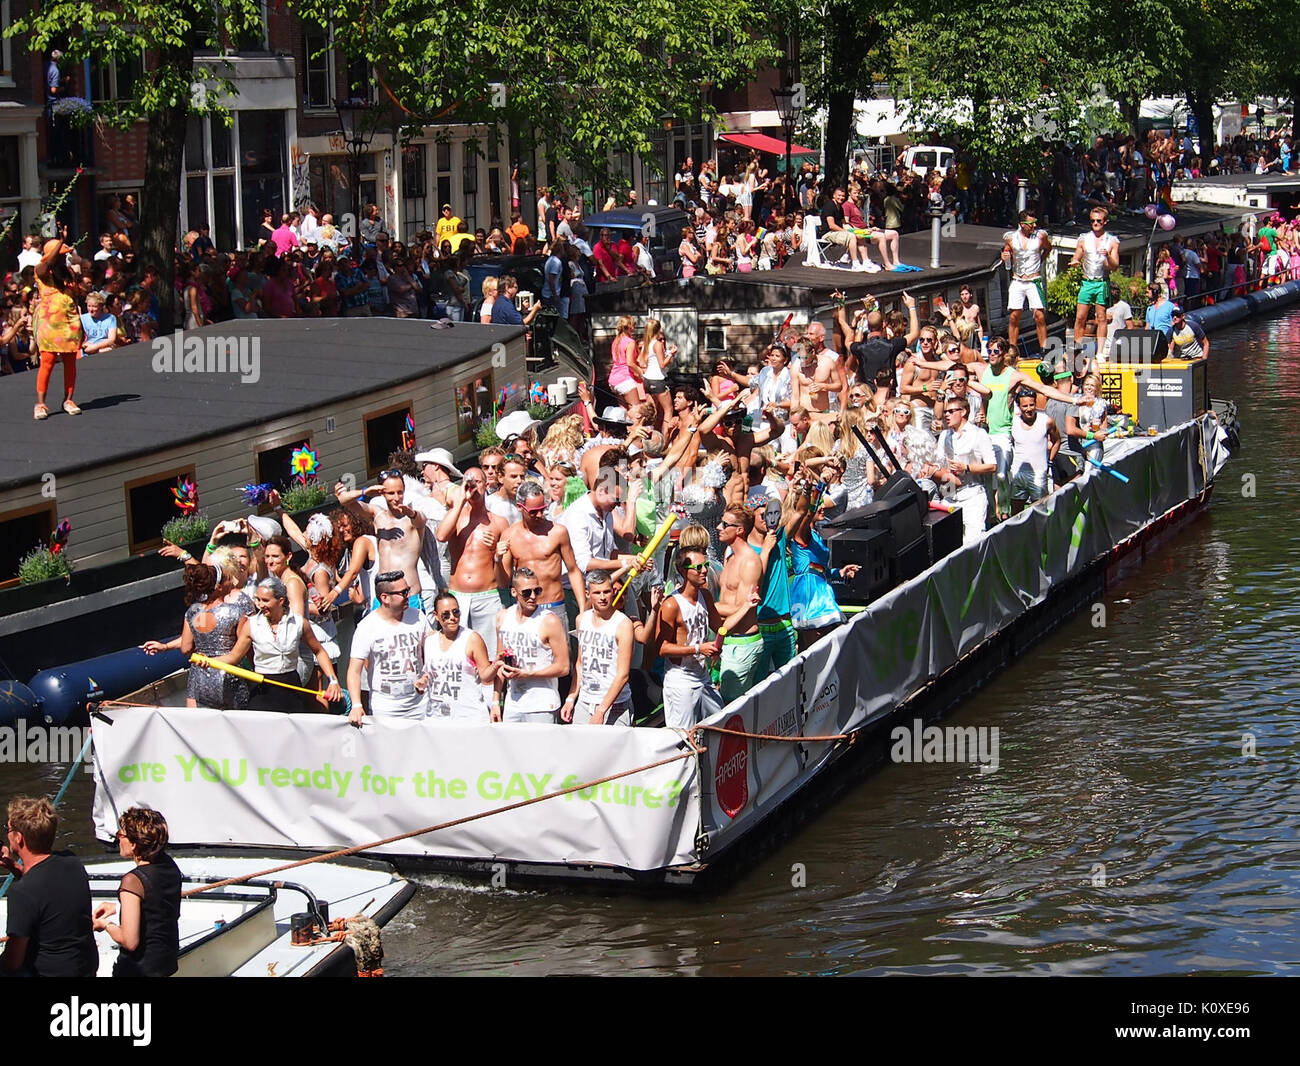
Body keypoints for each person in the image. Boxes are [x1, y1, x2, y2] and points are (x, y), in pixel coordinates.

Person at [1, 796, 98, 977]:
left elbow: (12, 963)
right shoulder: (73, 863)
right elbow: (44, 886)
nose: (7, 834)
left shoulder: (21, 892)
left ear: (19, 838)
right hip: (84, 968)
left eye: (8, 829)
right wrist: (14, 867)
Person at [141, 554, 252, 708]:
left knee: (198, 722)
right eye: (228, 579)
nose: (232, 582)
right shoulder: (236, 613)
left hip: (199, 679)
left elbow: (186, 648)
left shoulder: (193, 612)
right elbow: (245, 650)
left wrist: (165, 646)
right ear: (218, 587)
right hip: (229, 678)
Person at [92, 807, 183, 978]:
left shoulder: (132, 881)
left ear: (133, 844)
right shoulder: (169, 865)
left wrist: (105, 925)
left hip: (138, 970)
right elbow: (155, 906)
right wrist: (117, 907)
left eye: (120, 835)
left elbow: (129, 941)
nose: (117, 839)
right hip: (165, 963)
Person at [229, 576, 342, 712]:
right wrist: (209, 661)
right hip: (262, 687)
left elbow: (319, 651)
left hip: (290, 685)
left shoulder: (299, 623)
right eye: (258, 599)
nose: (260, 605)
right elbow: (234, 656)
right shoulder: (251, 625)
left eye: (265, 600)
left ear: (280, 601)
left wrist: (333, 680)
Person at [436, 466, 509, 653]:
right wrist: (460, 501)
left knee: (491, 652)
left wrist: (495, 551)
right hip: (458, 596)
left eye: (477, 482)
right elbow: (441, 536)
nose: (473, 487)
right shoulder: (456, 517)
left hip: (487, 596)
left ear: (486, 485)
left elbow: (504, 578)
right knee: (458, 653)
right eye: (469, 482)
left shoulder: (499, 522)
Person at [346, 570, 431, 725]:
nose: (408, 596)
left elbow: (432, 653)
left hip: (420, 705)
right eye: (403, 592)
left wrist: (426, 676)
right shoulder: (367, 627)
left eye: (408, 590)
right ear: (385, 598)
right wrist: (357, 705)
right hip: (385, 707)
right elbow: (354, 671)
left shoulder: (418, 616)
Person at [335, 471, 428, 611]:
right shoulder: (378, 515)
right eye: (391, 493)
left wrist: (411, 513)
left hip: (408, 595)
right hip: (383, 596)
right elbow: (344, 501)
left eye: (400, 492)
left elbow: (421, 520)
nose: (396, 497)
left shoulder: (412, 518)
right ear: (383, 494)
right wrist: (365, 491)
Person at [498, 480, 586, 625]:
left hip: (555, 606)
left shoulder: (557, 532)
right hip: (526, 609)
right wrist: (497, 559)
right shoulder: (509, 535)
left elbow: (573, 570)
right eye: (533, 511)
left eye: (542, 509)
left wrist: (582, 609)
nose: (539, 515)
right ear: (520, 507)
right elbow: (503, 582)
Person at [494, 567, 570, 724]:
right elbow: (500, 662)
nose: (533, 597)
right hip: (513, 704)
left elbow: (563, 667)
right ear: (514, 592)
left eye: (537, 591)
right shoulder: (503, 617)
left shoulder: (549, 621)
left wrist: (527, 674)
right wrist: (496, 701)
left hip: (541, 704)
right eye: (527, 592)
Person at [563, 570, 636, 726]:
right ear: (588, 594)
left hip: (615, 704)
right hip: (585, 700)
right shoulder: (581, 620)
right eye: (597, 593)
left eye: (606, 592)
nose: (602, 597)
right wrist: (571, 698)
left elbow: (623, 674)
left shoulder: (623, 624)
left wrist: (601, 711)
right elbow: (580, 663)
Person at [422, 590, 496, 723]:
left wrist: (496, 665)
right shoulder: (429, 641)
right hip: (436, 716)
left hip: (469, 717)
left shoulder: (471, 638)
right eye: (445, 614)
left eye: (456, 612)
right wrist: (421, 683)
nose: (452, 617)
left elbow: (485, 676)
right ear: (436, 616)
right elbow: (429, 675)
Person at [32, 236, 84, 420]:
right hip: (50, 326)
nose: (64, 257)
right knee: (47, 362)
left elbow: (74, 299)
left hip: (70, 325)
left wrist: (81, 326)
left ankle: (68, 400)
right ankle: (40, 404)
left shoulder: (67, 273)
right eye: (61, 255)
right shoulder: (42, 272)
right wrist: (61, 241)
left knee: (70, 363)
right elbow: (46, 264)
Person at [934, 395, 997, 545]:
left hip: (972, 493)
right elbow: (939, 461)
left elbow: (992, 466)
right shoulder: (944, 435)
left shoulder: (978, 434)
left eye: (951, 411)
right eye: (946, 412)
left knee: (973, 541)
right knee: (946, 542)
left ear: (963, 412)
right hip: (949, 491)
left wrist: (966, 468)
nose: (947, 415)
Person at [1070, 206, 1119, 353]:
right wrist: (1075, 262)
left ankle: (1100, 352)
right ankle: (1077, 348)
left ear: (1105, 222)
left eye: (1098, 221)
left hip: (1102, 281)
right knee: (1080, 316)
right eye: (1093, 221)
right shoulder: (1084, 239)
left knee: (1101, 317)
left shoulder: (1112, 241)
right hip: (1087, 281)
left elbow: (1115, 266)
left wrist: (1107, 256)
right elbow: (1077, 256)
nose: (1095, 223)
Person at [1002, 210, 1051, 354]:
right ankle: (1012, 349)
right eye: (1031, 223)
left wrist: (1040, 261)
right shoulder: (1011, 238)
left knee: (1039, 315)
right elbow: (1006, 252)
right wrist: (1005, 258)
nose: (1034, 225)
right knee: (1014, 316)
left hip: (1034, 280)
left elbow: (1048, 248)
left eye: (1035, 222)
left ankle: (1043, 349)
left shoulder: (1040, 236)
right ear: (1022, 224)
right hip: (1018, 279)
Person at [1008, 386, 1060, 511]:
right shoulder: (1013, 422)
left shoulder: (1046, 421)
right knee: (1016, 513)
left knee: (1040, 511)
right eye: (1025, 406)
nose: (1029, 409)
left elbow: (1057, 440)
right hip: (1018, 473)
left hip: (1039, 473)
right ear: (1019, 406)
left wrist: (1050, 460)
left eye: (1032, 405)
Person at [608, 315, 645, 406]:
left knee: (623, 410)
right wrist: (641, 372)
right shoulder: (630, 342)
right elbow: (630, 363)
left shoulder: (616, 341)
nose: (635, 327)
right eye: (634, 325)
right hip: (625, 379)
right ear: (630, 327)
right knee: (636, 409)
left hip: (614, 379)